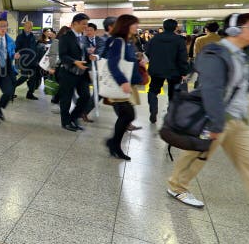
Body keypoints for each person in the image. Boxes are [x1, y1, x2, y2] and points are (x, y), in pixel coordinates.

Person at [166, 13, 249, 229]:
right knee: (197, 154)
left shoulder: (241, 55)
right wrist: (216, 123)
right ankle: (177, 186)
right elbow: (211, 90)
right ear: (235, 29)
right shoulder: (215, 53)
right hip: (216, 117)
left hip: (239, 120)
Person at [103, 14, 143, 160]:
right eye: (134, 24)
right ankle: (114, 144)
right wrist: (123, 82)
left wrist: (137, 59)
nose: (137, 27)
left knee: (126, 115)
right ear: (126, 25)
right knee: (128, 115)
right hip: (119, 84)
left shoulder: (128, 41)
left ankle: (113, 144)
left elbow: (124, 59)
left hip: (126, 82)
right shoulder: (118, 41)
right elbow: (112, 64)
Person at [145, 18, 189, 124]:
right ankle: (170, 113)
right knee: (173, 93)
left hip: (156, 69)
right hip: (174, 71)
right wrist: (184, 72)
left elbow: (147, 52)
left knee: (153, 91)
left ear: (164, 27)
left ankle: (153, 110)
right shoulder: (179, 40)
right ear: (176, 27)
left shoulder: (155, 38)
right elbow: (182, 57)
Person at [58, 13, 95, 132]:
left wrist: (90, 56)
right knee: (66, 99)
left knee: (86, 96)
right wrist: (74, 62)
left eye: (87, 24)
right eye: (83, 24)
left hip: (82, 73)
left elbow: (83, 54)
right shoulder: (65, 37)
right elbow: (63, 56)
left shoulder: (82, 38)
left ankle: (73, 118)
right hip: (68, 72)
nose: (86, 26)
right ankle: (65, 122)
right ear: (75, 23)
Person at [14, 21, 39, 99]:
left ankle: (30, 94)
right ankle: (12, 88)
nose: (29, 28)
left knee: (33, 77)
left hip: (33, 61)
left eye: (31, 27)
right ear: (24, 27)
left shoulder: (33, 37)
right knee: (24, 77)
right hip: (24, 61)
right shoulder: (20, 37)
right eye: (28, 26)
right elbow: (17, 48)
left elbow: (35, 48)